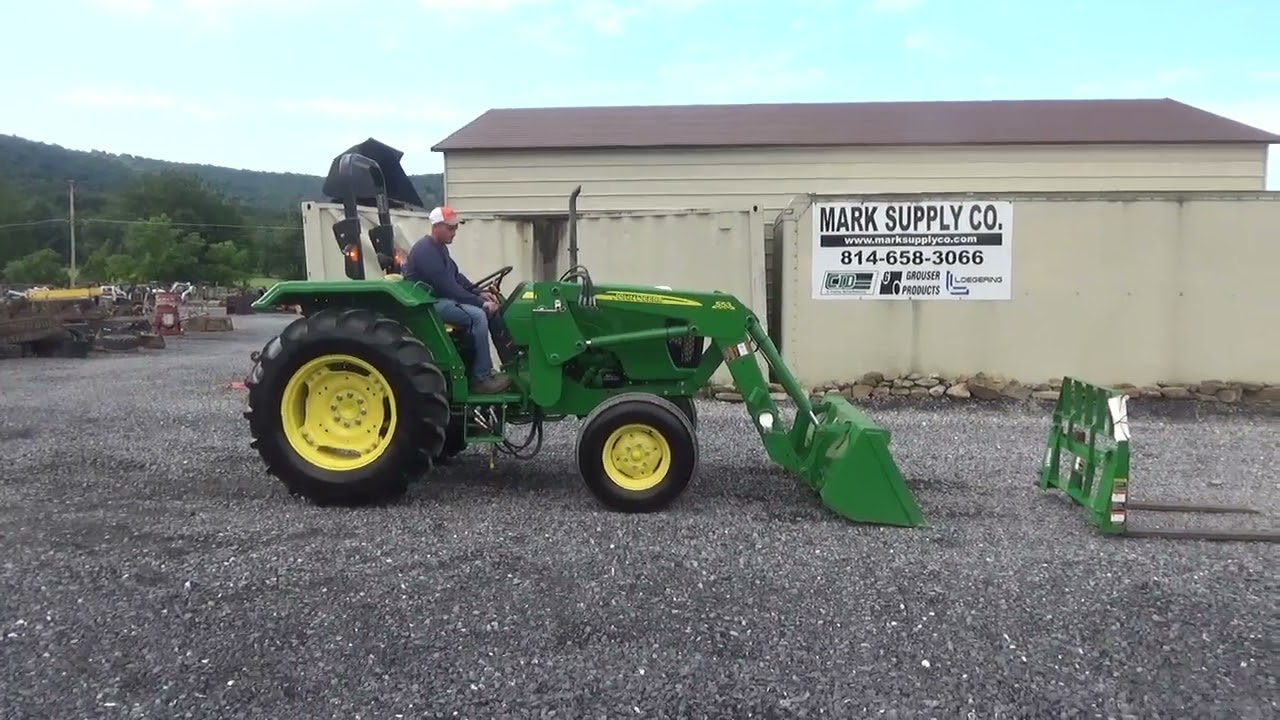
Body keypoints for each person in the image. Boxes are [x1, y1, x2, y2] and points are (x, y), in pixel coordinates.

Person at [402, 206, 511, 393]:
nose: (454, 233)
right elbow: (448, 287)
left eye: (455, 228)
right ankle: (481, 378)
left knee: (493, 312)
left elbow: (456, 277)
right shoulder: (425, 251)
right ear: (437, 226)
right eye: (450, 228)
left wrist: (478, 292)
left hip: (439, 298)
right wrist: (481, 303)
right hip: (428, 304)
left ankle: (511, 364)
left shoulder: (440, 248)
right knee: (478, 315)